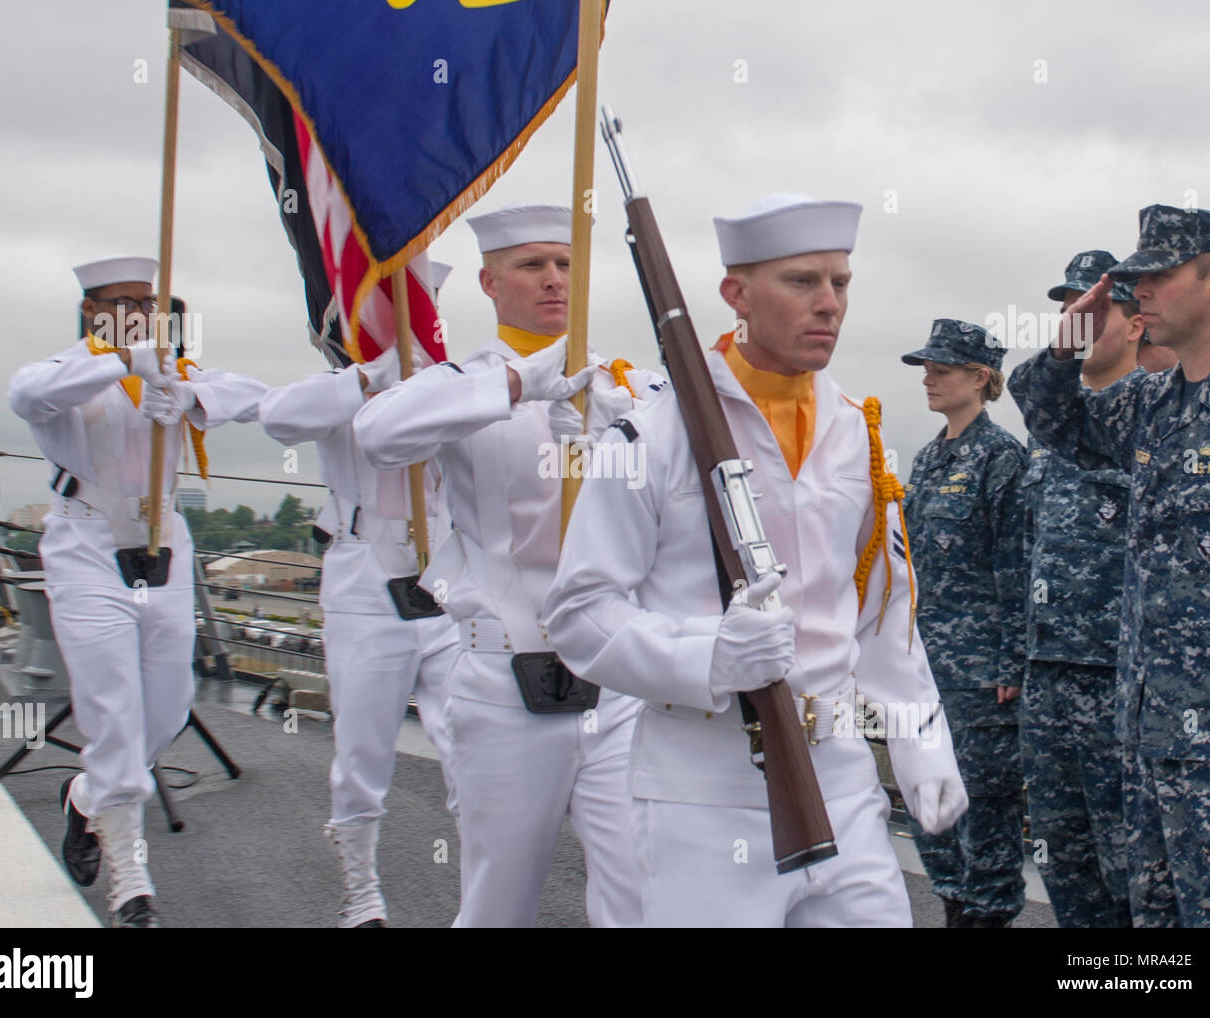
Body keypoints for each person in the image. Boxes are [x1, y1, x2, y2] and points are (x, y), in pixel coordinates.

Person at [544, 194, 967, 927]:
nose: (829, 303)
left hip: (840, 779)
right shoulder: (651, 437)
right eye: (802, 282)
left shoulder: (855, 435)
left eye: (841, 283)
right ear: (736, 295)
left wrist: (919, 736)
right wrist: (706, 653)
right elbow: (580, 616)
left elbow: (882, 614)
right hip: (701, 791)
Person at [353, 205, 662, 928]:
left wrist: (621, 433)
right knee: (500, 902)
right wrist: (520, 386)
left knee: (641, 895)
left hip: (616, 680)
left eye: (564, 264)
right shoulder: (468, 381)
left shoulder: (628, 384)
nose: (554, 280)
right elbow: (377, 434)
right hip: (509, 677)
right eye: (532, 266)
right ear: (490, 283)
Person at [8, 256, 267, 927]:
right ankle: (131, 881)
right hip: (86, 546)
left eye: (148, 303)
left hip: (163, 547)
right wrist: (122, 363)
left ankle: (89, 796)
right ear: (94, 310)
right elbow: (29, 398)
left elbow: (257, 395)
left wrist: (189, 396)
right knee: (112, 712)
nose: (139, 315)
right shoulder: (68, 370)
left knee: (170, 703)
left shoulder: (173, 370)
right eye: (123, 303)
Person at [1009, 204, 1210, 927]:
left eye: (1157, 276)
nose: (1138, 290)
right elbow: (1051, 420)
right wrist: (1065, 345)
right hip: (1146, 735)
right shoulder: (1150, 404)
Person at [259, 322, 458, 929]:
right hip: (368, 585)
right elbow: (278, 417)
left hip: (449, 583)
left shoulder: (448, 384)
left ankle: (487, 897)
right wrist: (367, 379)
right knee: (364, 754)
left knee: (471, 748)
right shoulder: (339, 391)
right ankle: (361, 894)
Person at [1019, 252, 1144, 928]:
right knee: (1062, 857)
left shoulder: (1152, 419)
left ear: (1135, 323)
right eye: (1071, 310)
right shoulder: (1050, 437)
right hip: (1049, 675)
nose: (1081, 322)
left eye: (1097, 311)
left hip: (1117, 678)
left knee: (1130, 864)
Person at [901, 319, 1027, 928]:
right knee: (930, 798)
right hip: (925, 666)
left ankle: (988, 911)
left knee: (986, 805)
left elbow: (1018, 563)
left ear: (980, 379)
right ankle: (953, 901)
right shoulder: (927, 459)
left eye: (941, 369)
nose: (928, 378)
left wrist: (1012, 662)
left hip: (981, 675)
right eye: (926, 368)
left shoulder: (1002, 459)